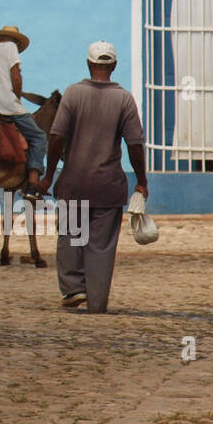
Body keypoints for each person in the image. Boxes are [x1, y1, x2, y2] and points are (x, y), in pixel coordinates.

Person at [42, 41, 148, 314]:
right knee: (101, 246)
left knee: (72, 237)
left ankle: (74, 288)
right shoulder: (124, 99)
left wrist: (49, 175)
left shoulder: (73, 94)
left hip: (75, 183)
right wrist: (141, 181)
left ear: (89, 64)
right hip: (108, 186)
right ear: (113, 66)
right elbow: (134, 144)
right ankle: (97, 301)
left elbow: (56, 137)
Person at [0, 24, 47, 199]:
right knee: (39, 137)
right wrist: (18, 98)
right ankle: (33, 185)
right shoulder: (11, 47)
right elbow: (16, 75)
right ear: (15, 41)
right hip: (4, 105)